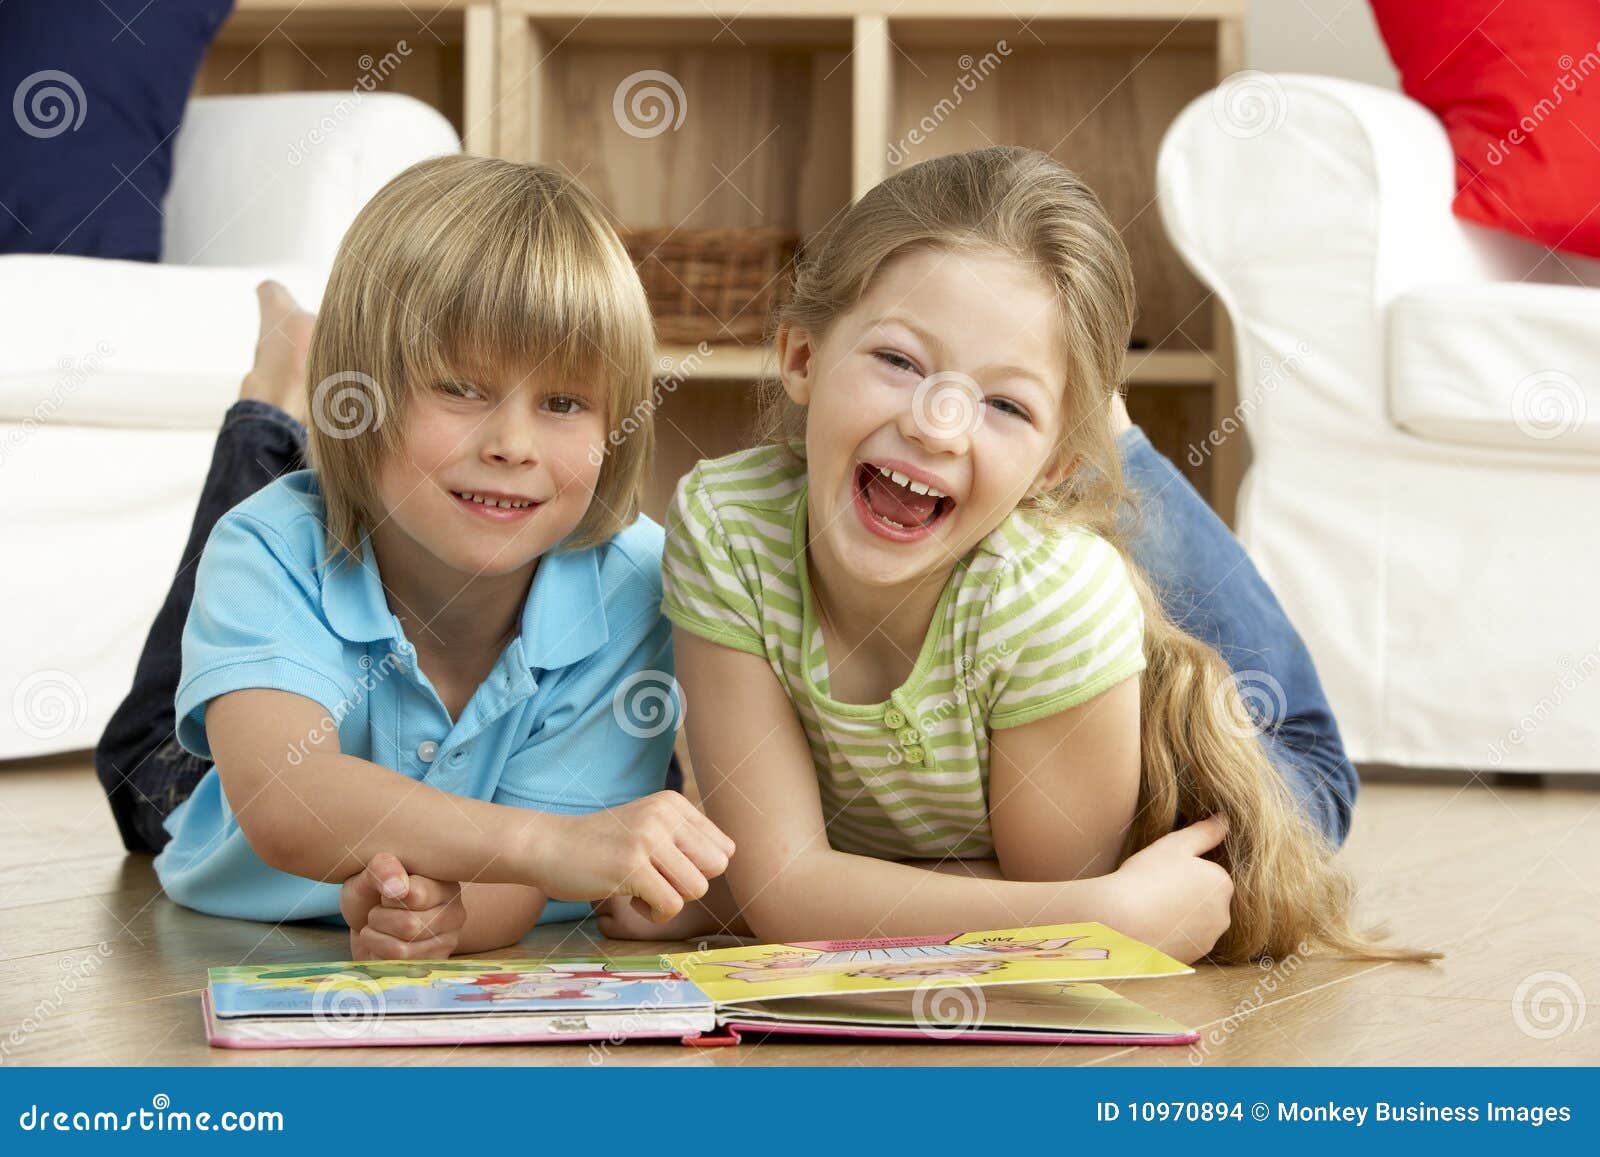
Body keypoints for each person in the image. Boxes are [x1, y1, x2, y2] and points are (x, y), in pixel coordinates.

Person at [94, 155, 733, 959]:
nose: (511, 445)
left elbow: (523, 889)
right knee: (149, 747)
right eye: (461, 388)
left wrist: (440, 914)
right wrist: (549, 845)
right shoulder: (270, 547)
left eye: (564, 403)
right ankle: (272, 394)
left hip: (440, 849)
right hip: (198, 790)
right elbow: (290, 799)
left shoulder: (634, 580)